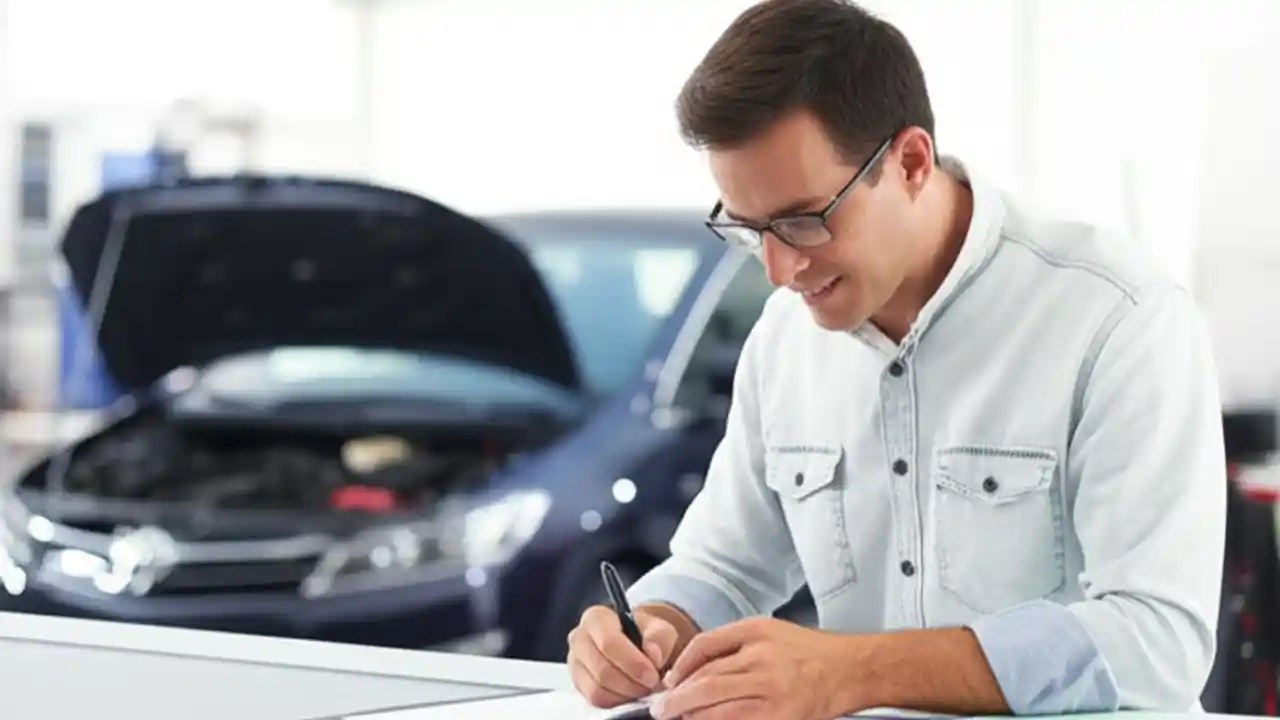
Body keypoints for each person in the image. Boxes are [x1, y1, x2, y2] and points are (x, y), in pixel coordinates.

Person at [565, 0, 1227, 718]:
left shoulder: (1118, 316)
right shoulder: (785, 339)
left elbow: (1155, 640)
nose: (781, 269)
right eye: (751, 229)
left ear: (911, 161)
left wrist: (852, 672)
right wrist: (651, 627)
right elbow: (725, 565)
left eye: (803, 220)